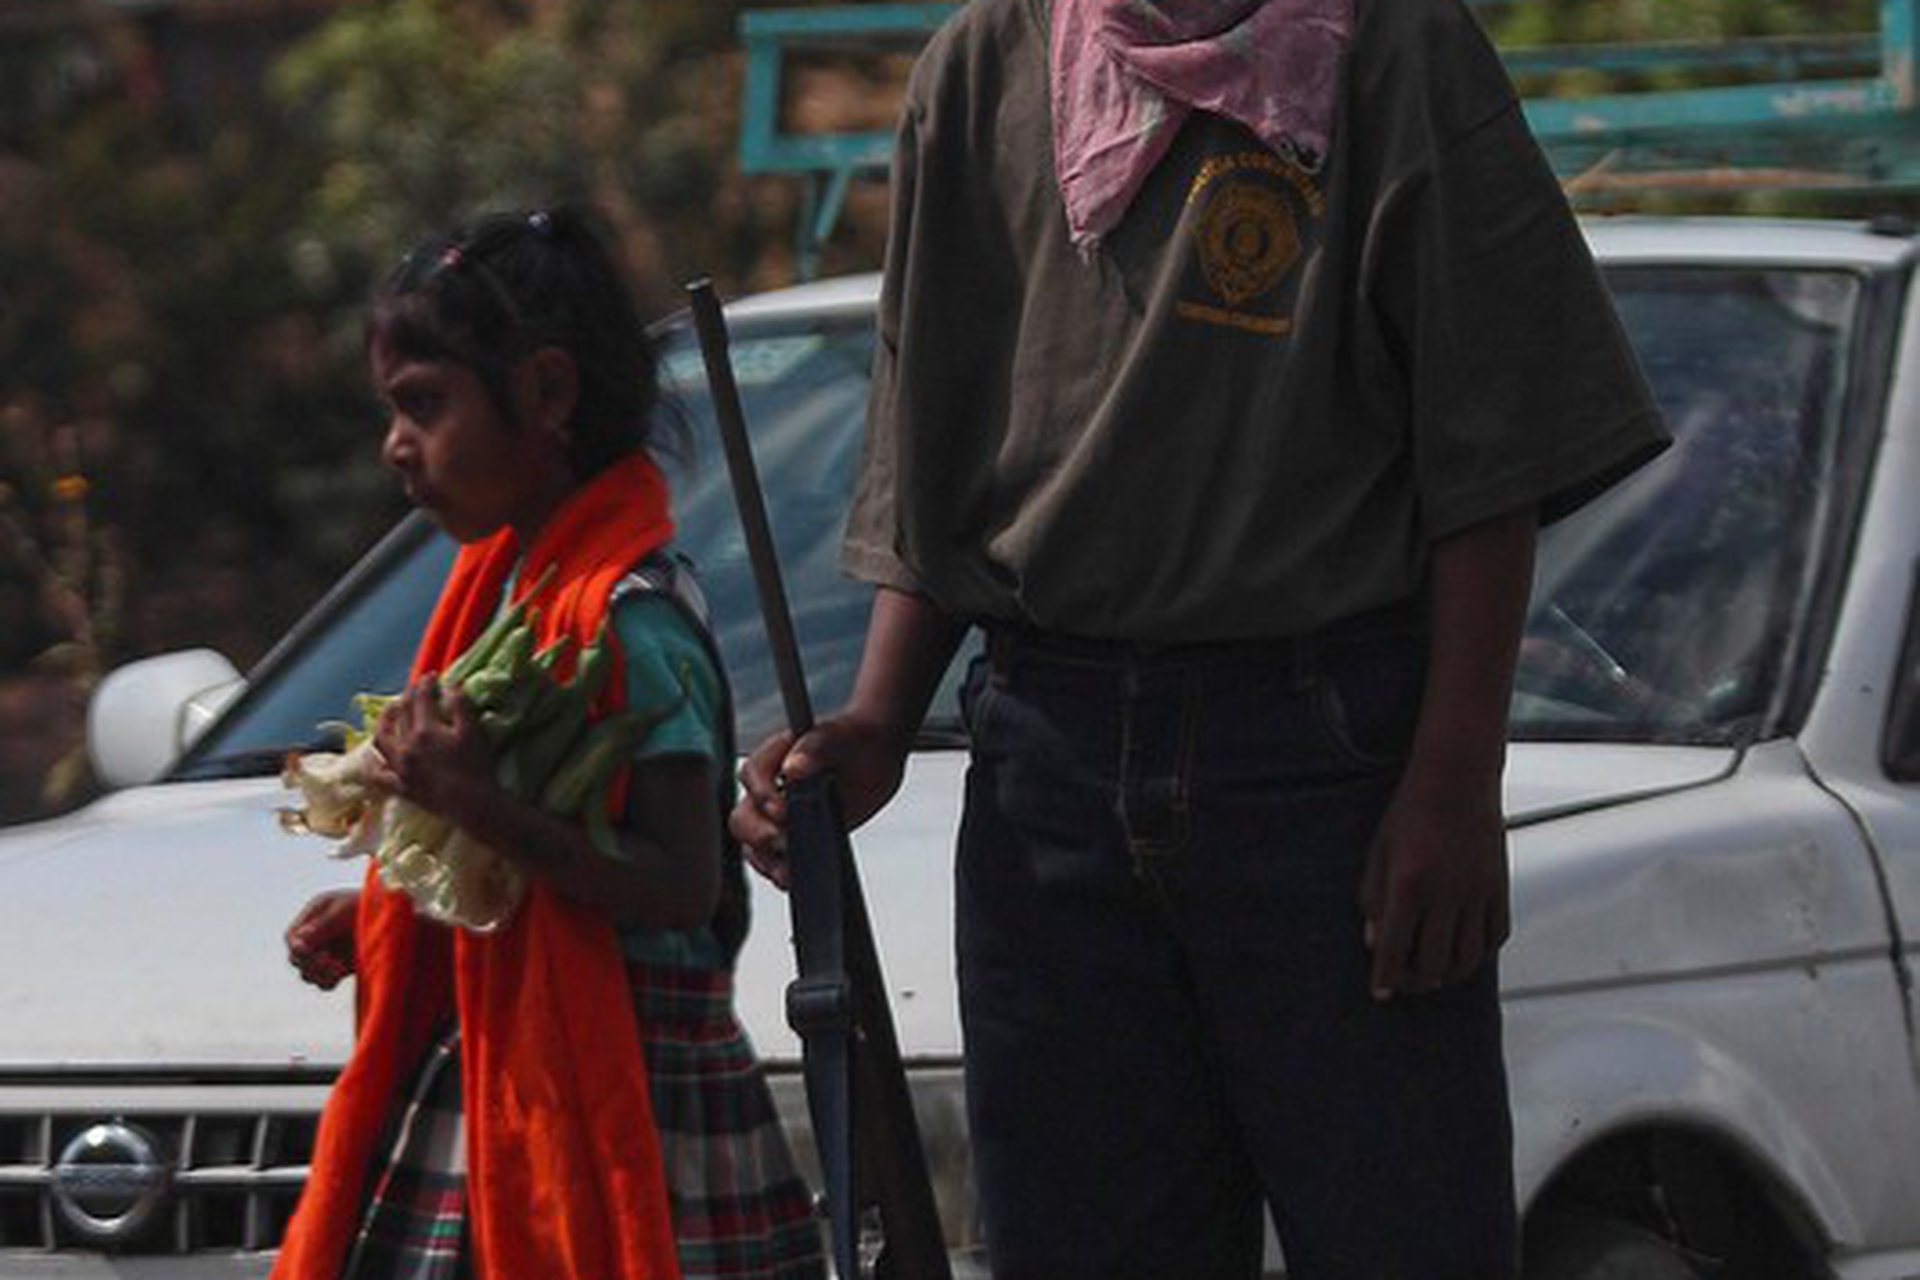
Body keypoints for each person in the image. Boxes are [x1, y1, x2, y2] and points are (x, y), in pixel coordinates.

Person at [731, 2, 1672, 1278]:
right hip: (1047, 764)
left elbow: (1490, 451)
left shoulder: (1392, 49)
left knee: (1398, 1233)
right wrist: (877, 723)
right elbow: (934, 443)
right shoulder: (984, 66)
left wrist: (1453, 781)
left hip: (1325, 761)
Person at [277, 207, 826, 1280]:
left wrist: (476, 803)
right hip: (511, 1060)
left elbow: (676, 883)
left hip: (632, 1075)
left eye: (423, 406)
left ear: (547, 394)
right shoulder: (510, 597)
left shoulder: (631, 620)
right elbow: (540, 866)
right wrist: (388, 912)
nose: (396, 447)